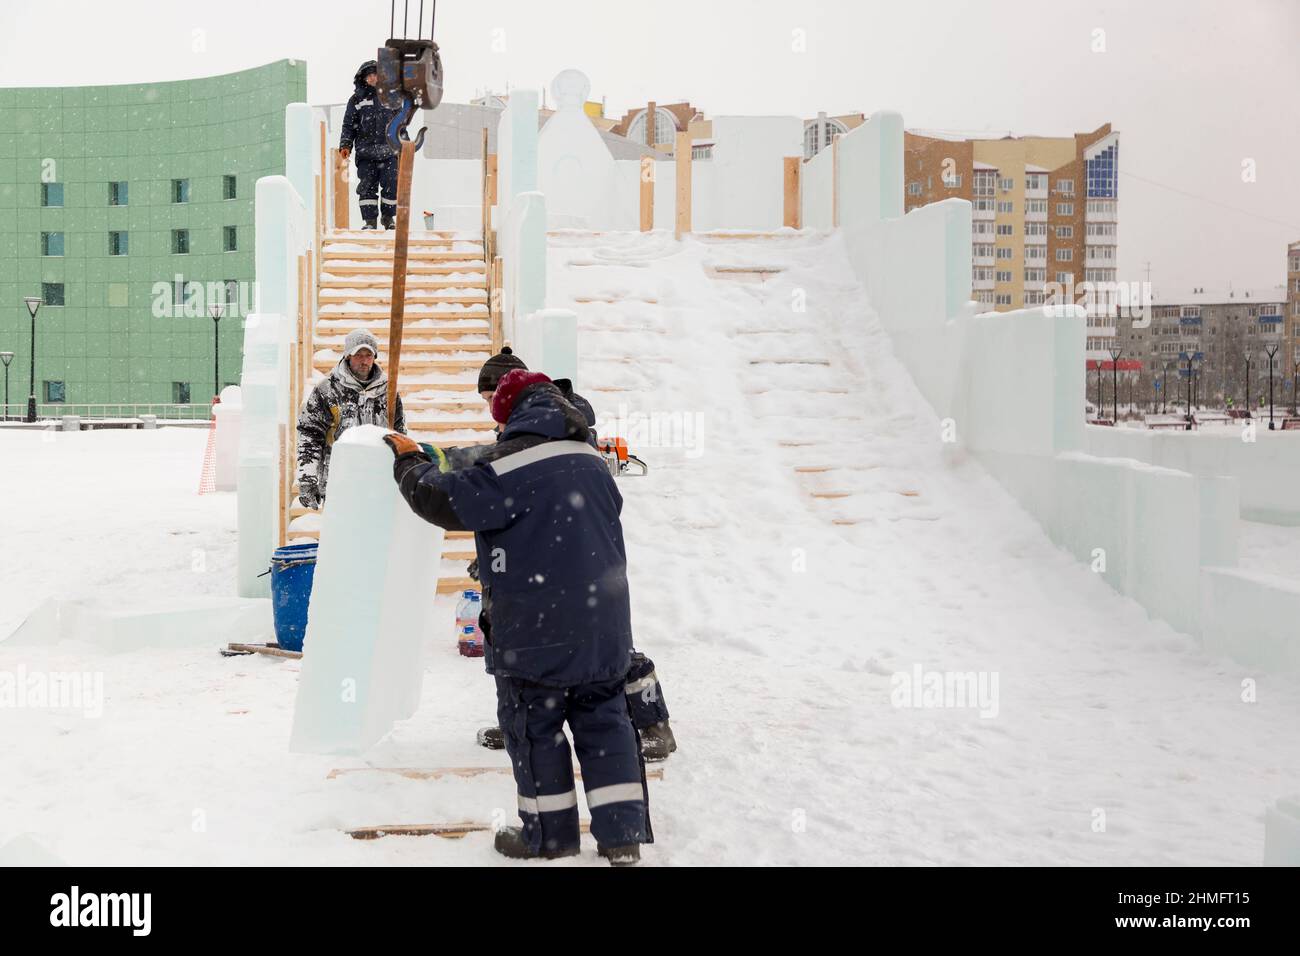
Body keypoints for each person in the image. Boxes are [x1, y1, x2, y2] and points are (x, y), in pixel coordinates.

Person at [383, 369, 651, 864]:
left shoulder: (509, 464)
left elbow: (441, 500)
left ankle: (548, 839)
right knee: (605, 724)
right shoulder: (589, 457)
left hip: (536, 630)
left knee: (536, 730)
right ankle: (623, 838)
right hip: (604, 625)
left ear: (509, 415)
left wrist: (408, 463)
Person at [427, 348, 677, 761]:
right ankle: (520, 723)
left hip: (578, 553)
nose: (490, 408)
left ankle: (654, 723)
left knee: (601, 644)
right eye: (485, 400)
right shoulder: (529, 424)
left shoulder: (567, 425)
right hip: (540, 557)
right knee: (517, 643)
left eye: (492, 398)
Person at [297, 329, 406, 510]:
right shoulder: (327, 391)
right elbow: (309, 436)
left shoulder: (388, 392)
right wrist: (307, 479)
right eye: (358, 355)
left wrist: (404, 474)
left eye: (368, 355)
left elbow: (400, 436)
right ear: (348, 356)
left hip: (379, 483)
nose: (364, 361)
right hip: (339, 483)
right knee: (344, 535)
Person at [339, 60, 399, 230]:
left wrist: (404, 145)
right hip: (366, 154)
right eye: (369, 75)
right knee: (367, 188)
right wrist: (345, 144)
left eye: (376, 75)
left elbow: (400, 124)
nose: (373, 78)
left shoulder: (391, 97)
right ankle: (370, 222)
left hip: (389, 152)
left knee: (391, 184)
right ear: (364, 79)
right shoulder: (356, 99)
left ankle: (388, 218)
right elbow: (348, 125)